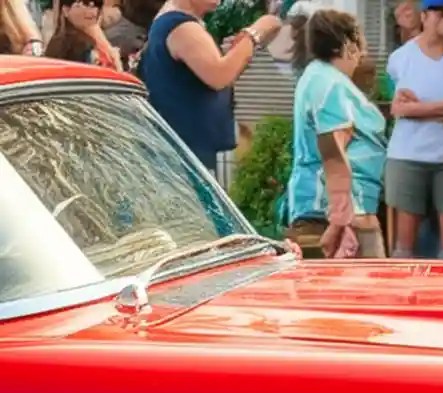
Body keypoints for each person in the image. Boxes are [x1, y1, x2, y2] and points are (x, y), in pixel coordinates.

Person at [283, 8, 388, 259]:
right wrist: (339, 222)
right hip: (333, 217)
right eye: (359, 43)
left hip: (346, 212)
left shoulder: (323, 79)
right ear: (345, 43)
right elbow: (333, 151)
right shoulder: (328, 84)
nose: (363, 53)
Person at [140, 0, 283, 171]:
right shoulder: (181, 26)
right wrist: (254, 33)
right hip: (184, 154)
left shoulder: (174, 22)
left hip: (181, 149)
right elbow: (220, 75)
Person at [385, 0, 443, 259]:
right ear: (424, 16)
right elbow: (399, 109)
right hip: (407, 155)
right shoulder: (401, 58)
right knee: (404, 247)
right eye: (442, 15)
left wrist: (419, 109)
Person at [45, 0, 122, 69]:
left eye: (96, 4)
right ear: (66, 10)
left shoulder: (94, 38)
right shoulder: (72, 43)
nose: (92, 10)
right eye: (84, 3)